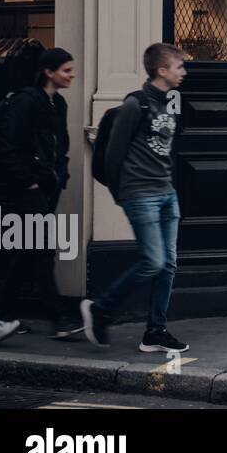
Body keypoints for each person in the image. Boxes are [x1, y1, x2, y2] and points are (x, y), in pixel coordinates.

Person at [81, 43, 188, 353]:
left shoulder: (170, 102)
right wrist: (121, 194)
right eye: (179, 66)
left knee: (167, 265)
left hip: (167, 194)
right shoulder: (134, 104)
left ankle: (155, 331)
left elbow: (164, 150)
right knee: (153, 261)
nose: (184, 72)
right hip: (140, 195)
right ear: (161, 70)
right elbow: (113, 155)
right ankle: (100, 309)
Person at [0, 48, 79, 348]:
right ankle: (58, 318)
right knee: (41, 249)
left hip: (47, 187)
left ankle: (2, 316)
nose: (71, 75)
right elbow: (6, 147)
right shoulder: (25, 101)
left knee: (28, 251)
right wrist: (29, 182)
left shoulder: (57, 103)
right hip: (26, 190)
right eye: (66, 70)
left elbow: (60, 144)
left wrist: (59, 174)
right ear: (49, 72)